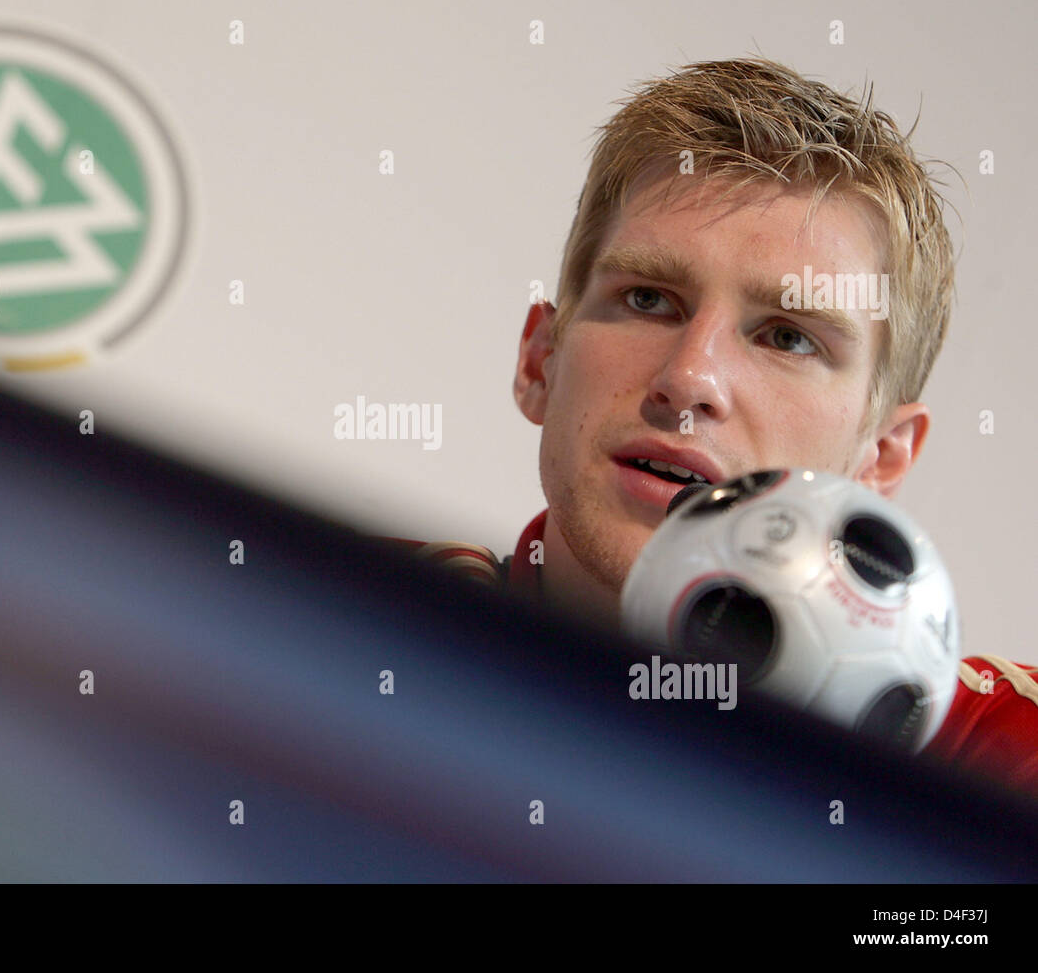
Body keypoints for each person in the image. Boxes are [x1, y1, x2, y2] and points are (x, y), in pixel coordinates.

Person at [385, 57, 1038, 797]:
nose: (690, 378)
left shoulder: (1009, 759)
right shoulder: (320, 625)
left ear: (881, 459)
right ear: (541, 361)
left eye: (788, 337)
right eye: (647, 299)